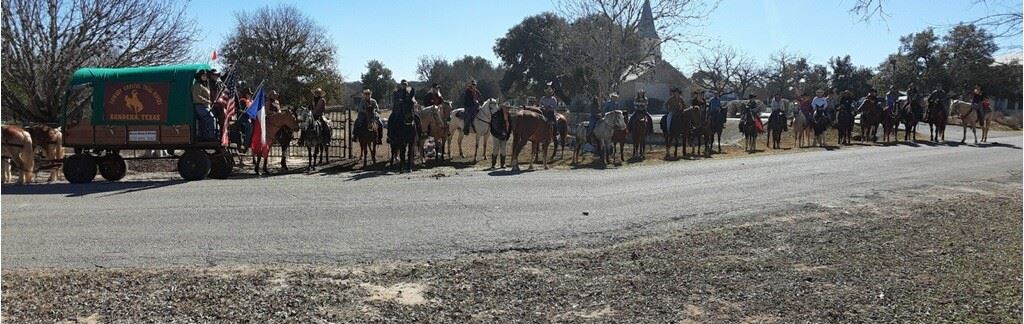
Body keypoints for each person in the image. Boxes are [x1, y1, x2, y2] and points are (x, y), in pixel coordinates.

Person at [191, 70, 217, 141]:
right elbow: (197, 97)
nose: (205, 77)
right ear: (200, 76)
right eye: (203, 76)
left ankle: (205, 136)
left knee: (205, 121)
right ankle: (211, 136)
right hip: (200, 106)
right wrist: (208, 101)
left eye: (205, 76)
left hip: (205, 106)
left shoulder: (204, 85)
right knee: (211, 118)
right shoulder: (197, 85)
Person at [489, 101, 512, 169]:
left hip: (504, 135)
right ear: (502, 107)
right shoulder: (497, 114)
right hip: (496, 134)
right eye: (506, 108)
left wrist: (508, 134)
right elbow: (495, 125)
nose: (507, 109)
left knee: (503, 149)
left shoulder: (508, 115)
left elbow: (510, 125)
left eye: (508, 108)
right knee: (496, 148)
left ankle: (502, 164)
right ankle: (493, 164)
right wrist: (501, 132)